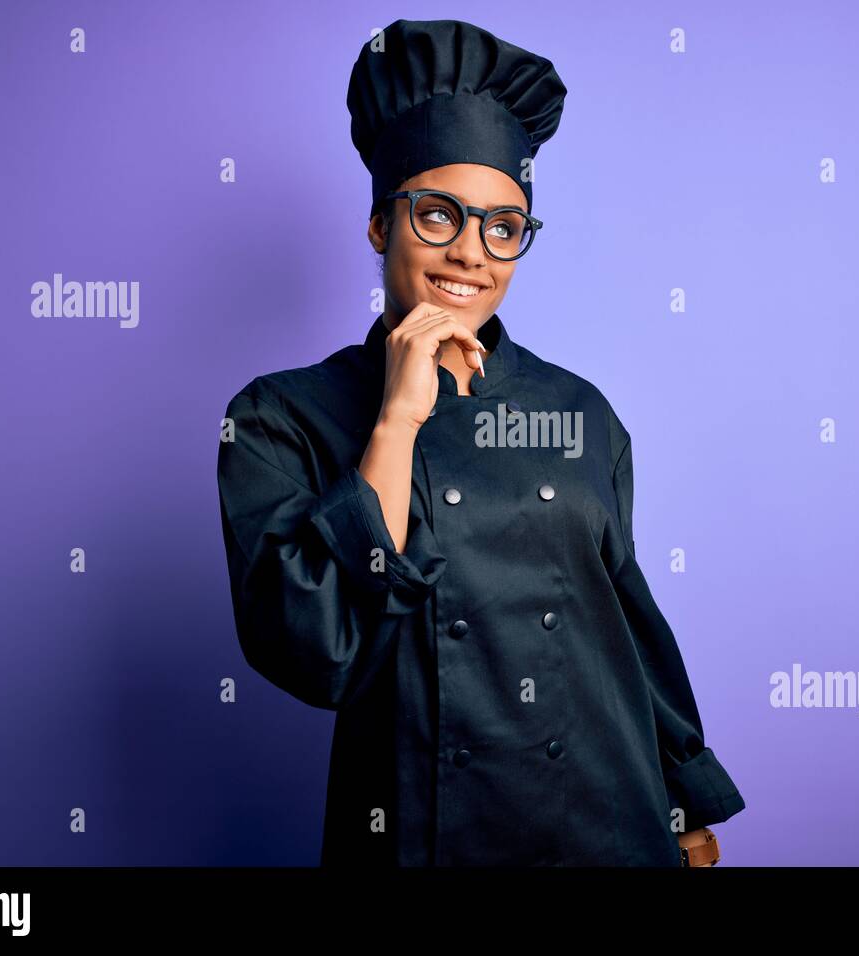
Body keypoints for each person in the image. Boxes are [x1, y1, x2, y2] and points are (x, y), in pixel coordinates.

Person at [216, 18, 744, 867]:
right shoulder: (281, 417)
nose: (472, 252)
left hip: (611, 828)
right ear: (381, 225)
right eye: (438, 215)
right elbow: (318, 655)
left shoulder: (580, 412)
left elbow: (629, 621)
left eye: (504, 226)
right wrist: (396, 420)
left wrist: (684, 799)